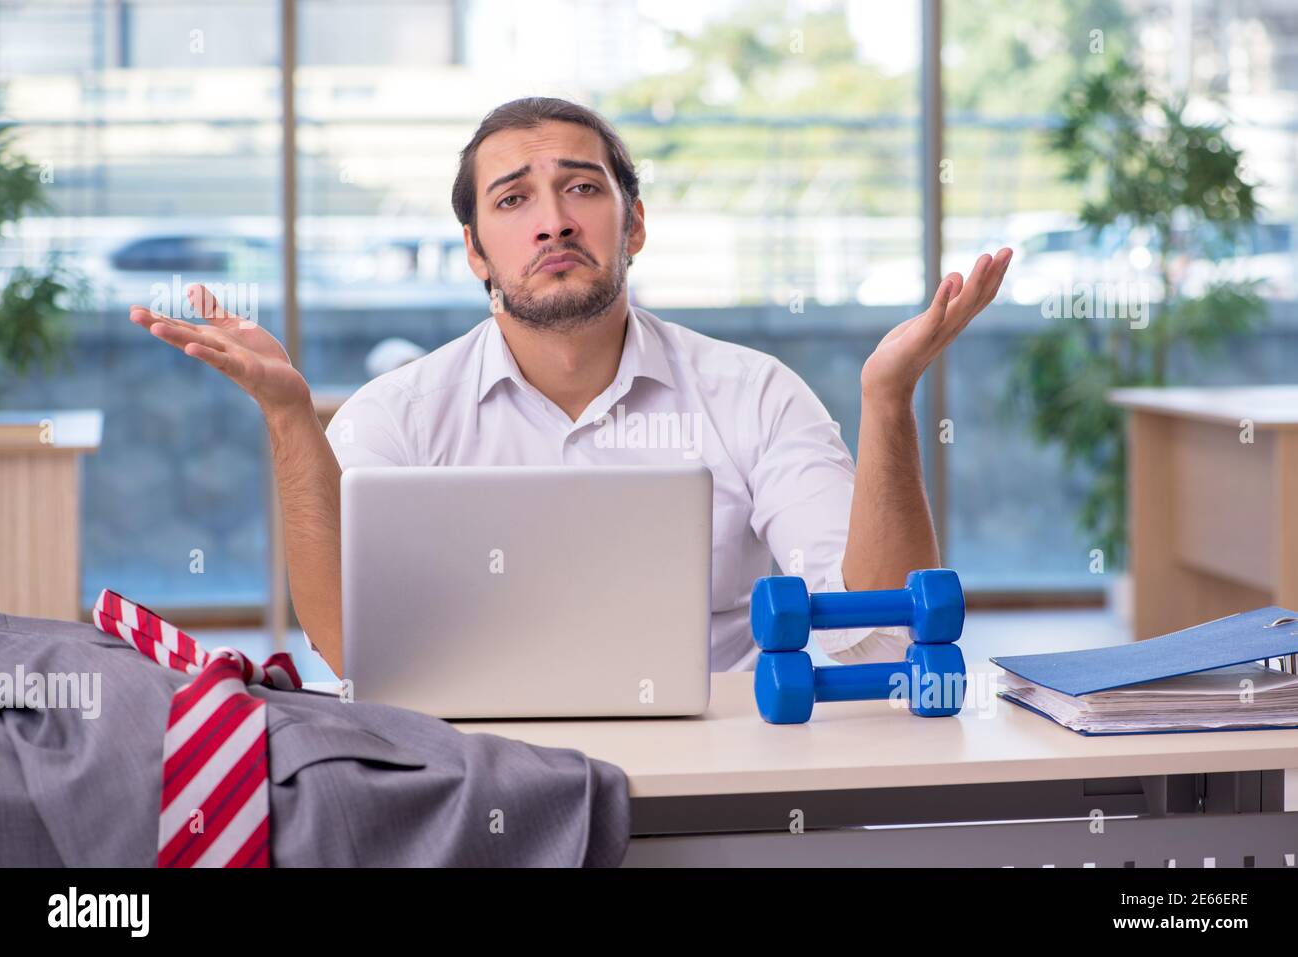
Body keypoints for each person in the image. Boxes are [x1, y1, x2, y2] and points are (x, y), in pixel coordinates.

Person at [129, 96, 1011, 676]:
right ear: (476, 251)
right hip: (485, 777)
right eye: (513, 200)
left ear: (633, 226)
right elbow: (349, 643)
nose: (552, 221)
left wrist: (888, 402)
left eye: (582, 188)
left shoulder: (753, 393)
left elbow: (877, 632)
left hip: (728, 780)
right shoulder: (398, 414)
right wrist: (290, 416)